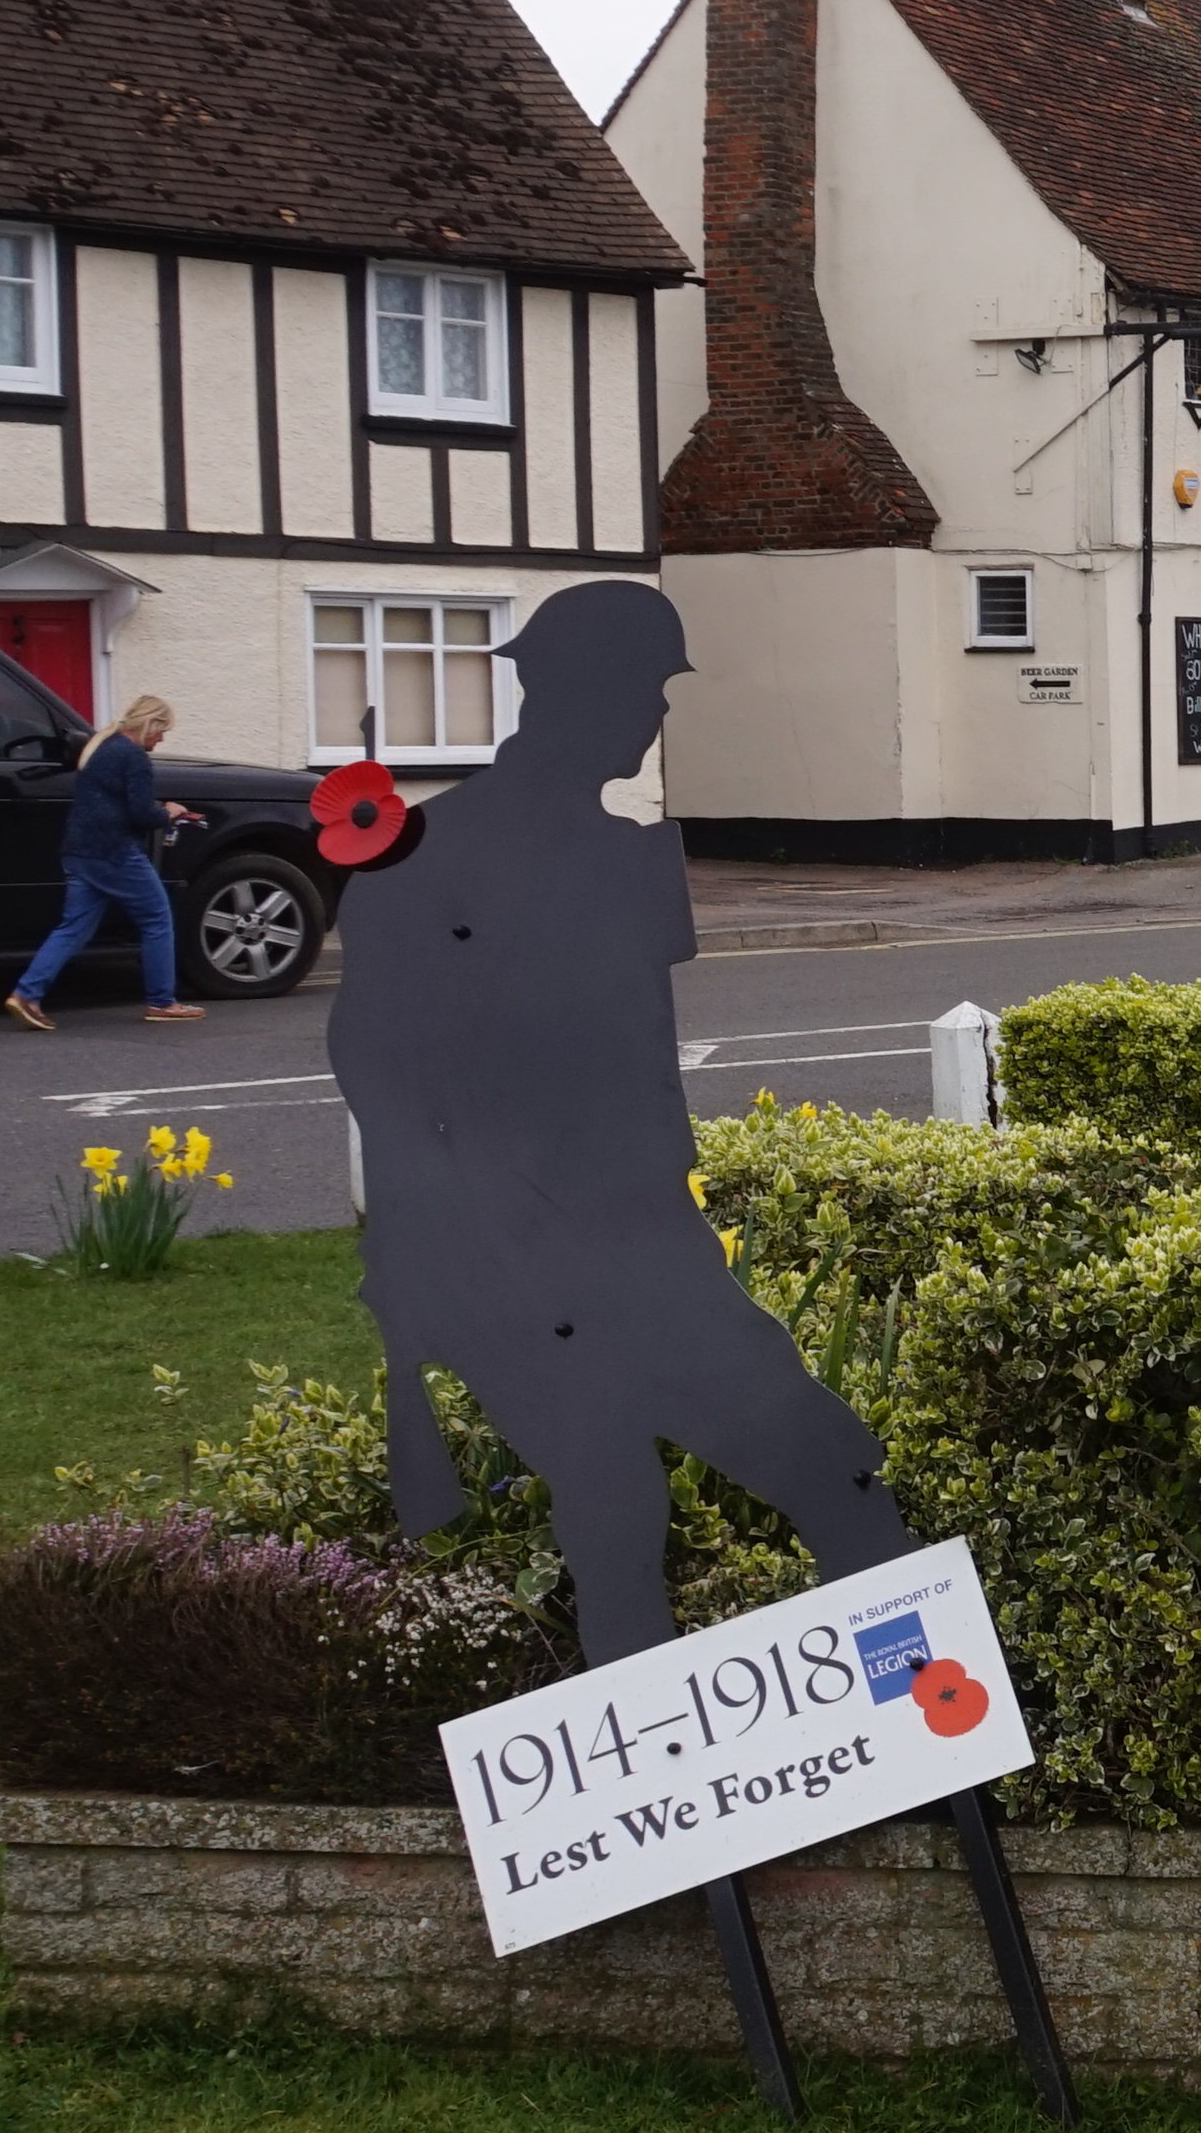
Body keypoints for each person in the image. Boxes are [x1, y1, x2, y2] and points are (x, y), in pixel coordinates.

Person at [321, 582, 908, 1661]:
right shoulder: (430, 854)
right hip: (539, 1254)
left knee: (699, 1494)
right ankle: (854, 1730)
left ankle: (915, 1733)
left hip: (630, 1237)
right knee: (682, 1495)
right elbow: (375, 1062)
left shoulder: (607, 846)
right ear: (580, 691)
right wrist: (471, 1234)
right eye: (646, 689)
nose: (656, 716)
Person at [4, 693, 205, 1029]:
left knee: (73, 929)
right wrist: (169, 813)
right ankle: (162, 1001)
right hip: (115, 852)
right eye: (162, 730)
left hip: (80, 849)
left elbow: (115, 800)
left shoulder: (104, 747)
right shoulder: (134, 756)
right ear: (150, 725)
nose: (162, 738)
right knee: (157, 919)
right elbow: (141, 813)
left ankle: (26, 994)